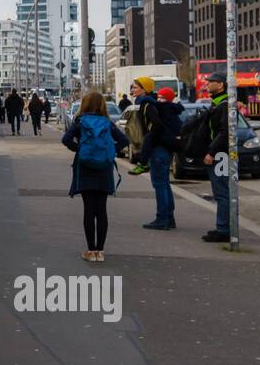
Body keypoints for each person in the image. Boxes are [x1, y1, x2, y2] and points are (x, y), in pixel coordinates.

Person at [62, 91, 130, 262]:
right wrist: (110, 151)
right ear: (102, 105)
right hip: (104, 169)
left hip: (85, 168)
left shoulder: (80, 122)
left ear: (84, 104)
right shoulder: (107, 122)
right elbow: (124, 141)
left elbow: (66, 139)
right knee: (102, 210)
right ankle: (100, 252)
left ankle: (90, 250)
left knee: (88, 210)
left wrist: (80, 149)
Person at [130, 76, 176, 230]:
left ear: (144, 89)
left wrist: (149, 139)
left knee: (160, 185)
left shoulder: (147, 104)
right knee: (164, 184)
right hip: (163, 148)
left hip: (158, 149)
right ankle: (169, 218)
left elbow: (155, 124)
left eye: (135, 87)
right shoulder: (151, 102)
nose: (132, 89)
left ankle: (162, 219)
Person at [200, 72, 232, 243]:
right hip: (218, 152)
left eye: (210, 82)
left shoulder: (224, 105)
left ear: (220, 85)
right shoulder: (217, 103)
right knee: (220, 192)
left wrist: (211, 152)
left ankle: (224, 229)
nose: (207, 84)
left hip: (220, 154)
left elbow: (223, 132)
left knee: (222, 193)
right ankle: (223, 227)